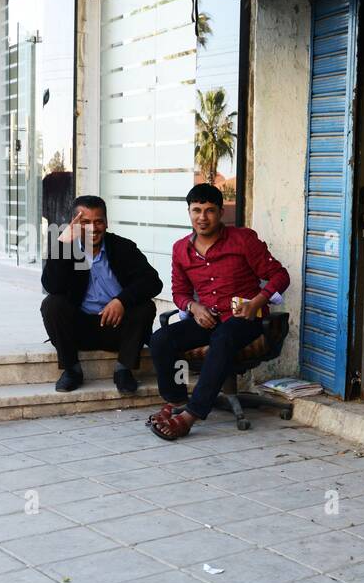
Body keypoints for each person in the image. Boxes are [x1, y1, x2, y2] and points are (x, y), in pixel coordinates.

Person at [147, 183, 290, 440]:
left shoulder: (243, 239)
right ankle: (176, 402)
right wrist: (193, 306)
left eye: (210, 210)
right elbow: (180, 292)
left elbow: (279, 276)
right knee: (160, 339)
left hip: (243, 319)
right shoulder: (181, 249)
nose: (202, 217)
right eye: (197, 210)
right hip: (207, 317)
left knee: (222, 338)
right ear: (189, 212)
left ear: (221, 212)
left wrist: (257, 301)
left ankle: (191, 416)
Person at [40, 195, 161, 394]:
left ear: (106, 223)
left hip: (117, 328)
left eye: (98, 222)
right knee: (52, 304)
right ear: (75, 225)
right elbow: (51, 286)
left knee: (146, 306)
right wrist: (61, 245)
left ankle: (124, 370)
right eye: (85, 222)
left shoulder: (123, 247)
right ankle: (71, 370)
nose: (93, 228)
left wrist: (121, 301)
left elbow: (153, 282)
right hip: (79, 329)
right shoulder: (66, 249)